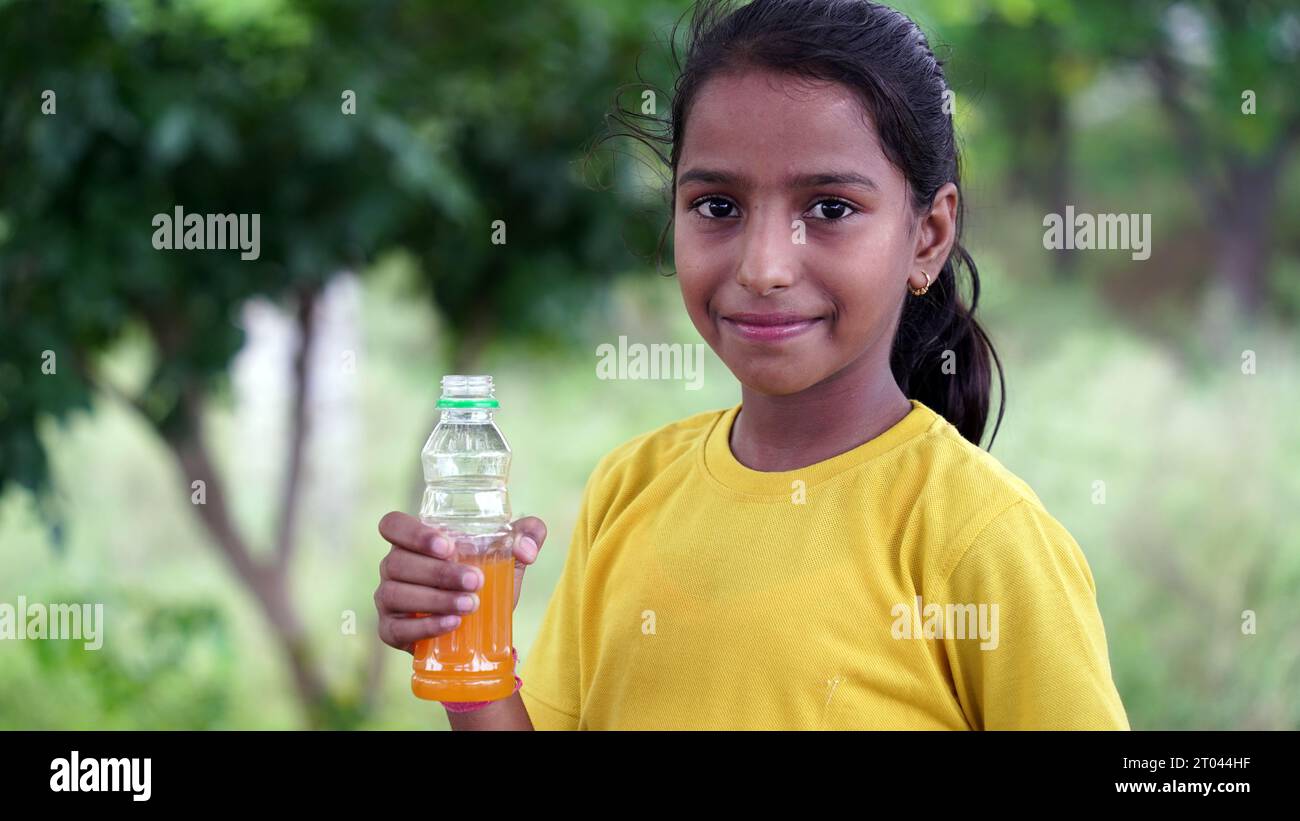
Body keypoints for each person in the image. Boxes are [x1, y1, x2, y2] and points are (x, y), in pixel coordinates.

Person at [374, 0, 1130, 730]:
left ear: (927, 235)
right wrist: (469, 659)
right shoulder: (628, 489)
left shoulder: (980, 537)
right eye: (718, 206)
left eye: (829, 208)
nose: (765, 266)